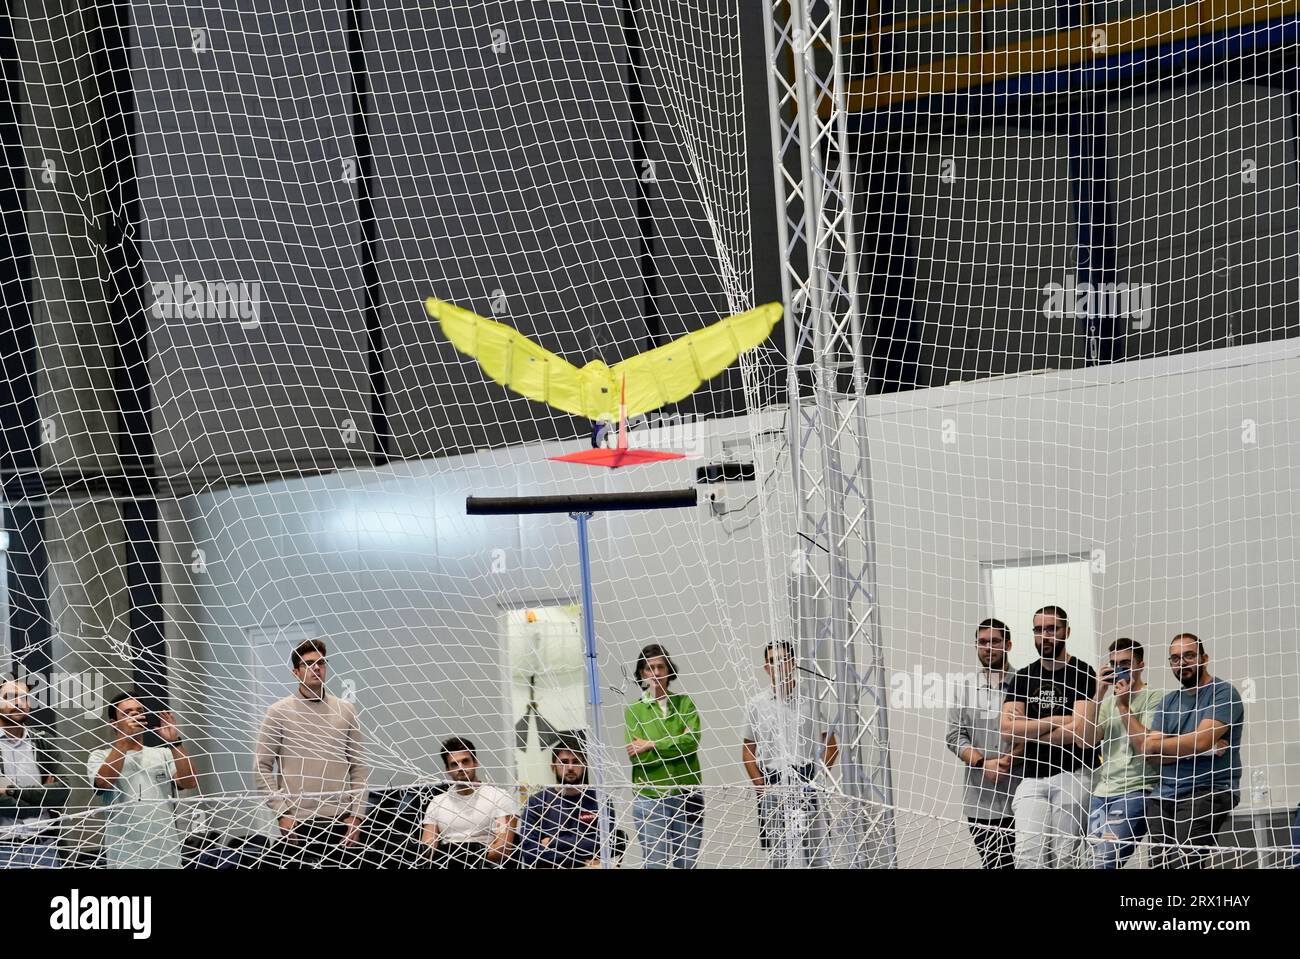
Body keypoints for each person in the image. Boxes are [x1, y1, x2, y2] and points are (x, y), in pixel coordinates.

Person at [1117, 633, 1243, 868]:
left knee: (1185, 864)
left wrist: (1196, 745)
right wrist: (1199, 746)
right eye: (1175, 658)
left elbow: (1200, 742)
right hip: (1164, 793)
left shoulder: (1223, 693)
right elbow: (1150, 752)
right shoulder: (1169, 702)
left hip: (1206, 789)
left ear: (1204, 658)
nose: (1181, 662)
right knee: (1159, 864)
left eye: (1188, 656)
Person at [254, 639, 368, 866]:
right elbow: (262, 767)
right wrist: (282, 813)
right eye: (308, 664)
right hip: (297, 823)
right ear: (296, 672)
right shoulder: (278, 712)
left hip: (341, 820)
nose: (316, 668)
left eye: (321, 662)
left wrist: (357, 816)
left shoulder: (346, 710)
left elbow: (359, 767)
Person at [1001, 605, 1097, 868]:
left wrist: (1030, 729)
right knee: (1026, 857)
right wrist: (1055, 721)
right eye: (1039, 630)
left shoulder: (1083, 672)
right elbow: (1008, 729)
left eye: (1051, 629)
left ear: (1066, 631)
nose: (1044, 636)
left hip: (1073, 773)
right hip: (1032, 776)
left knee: (1064, 858)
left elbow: (1080, 732)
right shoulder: (1023, 677)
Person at [742, 640, 838, 867]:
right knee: (778, 859)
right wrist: (762, 787)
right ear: (766, 668)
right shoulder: (756, 705)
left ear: (793, 663)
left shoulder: (811, 701)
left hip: (807, 783)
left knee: (816, 854)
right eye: (772, 661)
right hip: (772, 784)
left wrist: (816, 782)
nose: (777, 666)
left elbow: (831, 745)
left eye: (783, 660)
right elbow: (747, 750)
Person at [1077, 638, 1162, 868]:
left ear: (1140, 665)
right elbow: (1085, 741)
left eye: (1125, 663)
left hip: (1136, 790)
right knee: (1091, 863)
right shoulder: (1106, 702)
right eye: (1114, 664)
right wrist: (1099, 694)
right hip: (1102, 792)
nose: (1119, 670)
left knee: (1105, 863)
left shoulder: (1156, 697)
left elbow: (1145, 744)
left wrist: (1124, 706)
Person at [88, 692, 197, 868]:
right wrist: (124, 740)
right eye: (127, 713)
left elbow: (189, 782)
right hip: (125, 859)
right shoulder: (100, 756)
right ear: (114, 723)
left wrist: (174, 742)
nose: (135, 715)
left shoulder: (163, 754)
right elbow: (104, 782)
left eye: (139, 710)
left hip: (167, 857)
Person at [945, 619, 1019, 868]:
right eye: (983, 642)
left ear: (1008, 645)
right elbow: (955, 736)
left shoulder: (1026, 684)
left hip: (1021, 798)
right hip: (980, 803)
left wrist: (1012, 758)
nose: (988, 647)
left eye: (995, 641)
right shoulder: (964, 689)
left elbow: (1038, 736)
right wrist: (982, 763)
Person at [624, 643, 703, 868]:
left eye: (661, 667)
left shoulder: (685, 703)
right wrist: (675, 744)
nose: (656, 673)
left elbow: (692, 742)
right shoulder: (634, 711)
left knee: (687, 864)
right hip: (649, 797)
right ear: (641, 673)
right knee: (655, 864)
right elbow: (639, 758)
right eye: (650, 668)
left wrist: (651, 744)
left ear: (669, 670)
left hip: (688, 794)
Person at [517, 742, 624, 868]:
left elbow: (607, 844)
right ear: (553, 767)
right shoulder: (536, 802)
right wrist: (579, 862)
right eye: (564, 762)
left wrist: (553, 842)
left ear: (584, 766)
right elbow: (529, 852)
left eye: (576, 762)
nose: (570, 767)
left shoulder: (600, 800)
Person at [0, 678, 67, 867]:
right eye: (9, 697)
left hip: (44, 848)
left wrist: (10, 791)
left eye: (24, 698)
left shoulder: (44, 741)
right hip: (3, 852)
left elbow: (63, 791)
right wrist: (40, 803)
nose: (18, 703)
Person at [421, 737, 516, 867]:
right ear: (447, 769)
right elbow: (428, 848)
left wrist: (463, 859)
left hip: (485, 864)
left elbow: (502, 848)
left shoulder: (499, 797)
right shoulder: (437, 803)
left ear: (475, 762)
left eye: (465, 761)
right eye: (454, 764)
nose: (461, 768)